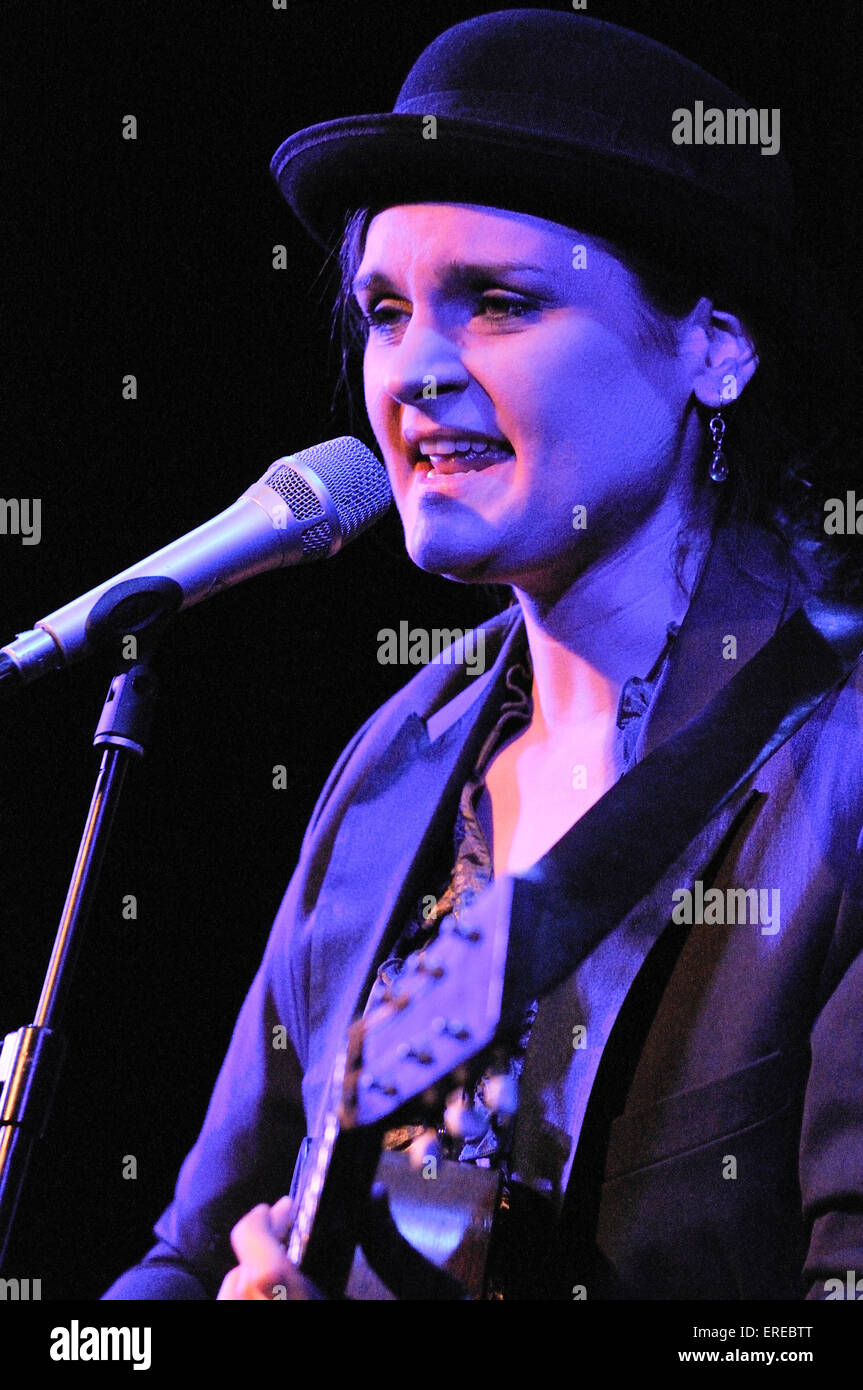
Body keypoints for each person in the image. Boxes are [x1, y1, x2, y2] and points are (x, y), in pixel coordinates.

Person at [102, 9, 862, 1301]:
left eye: (499, 302)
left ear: (714, 348)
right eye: (386, 312)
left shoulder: (838, 763)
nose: (415, 371)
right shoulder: (396, 762)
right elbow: (189, 1249)